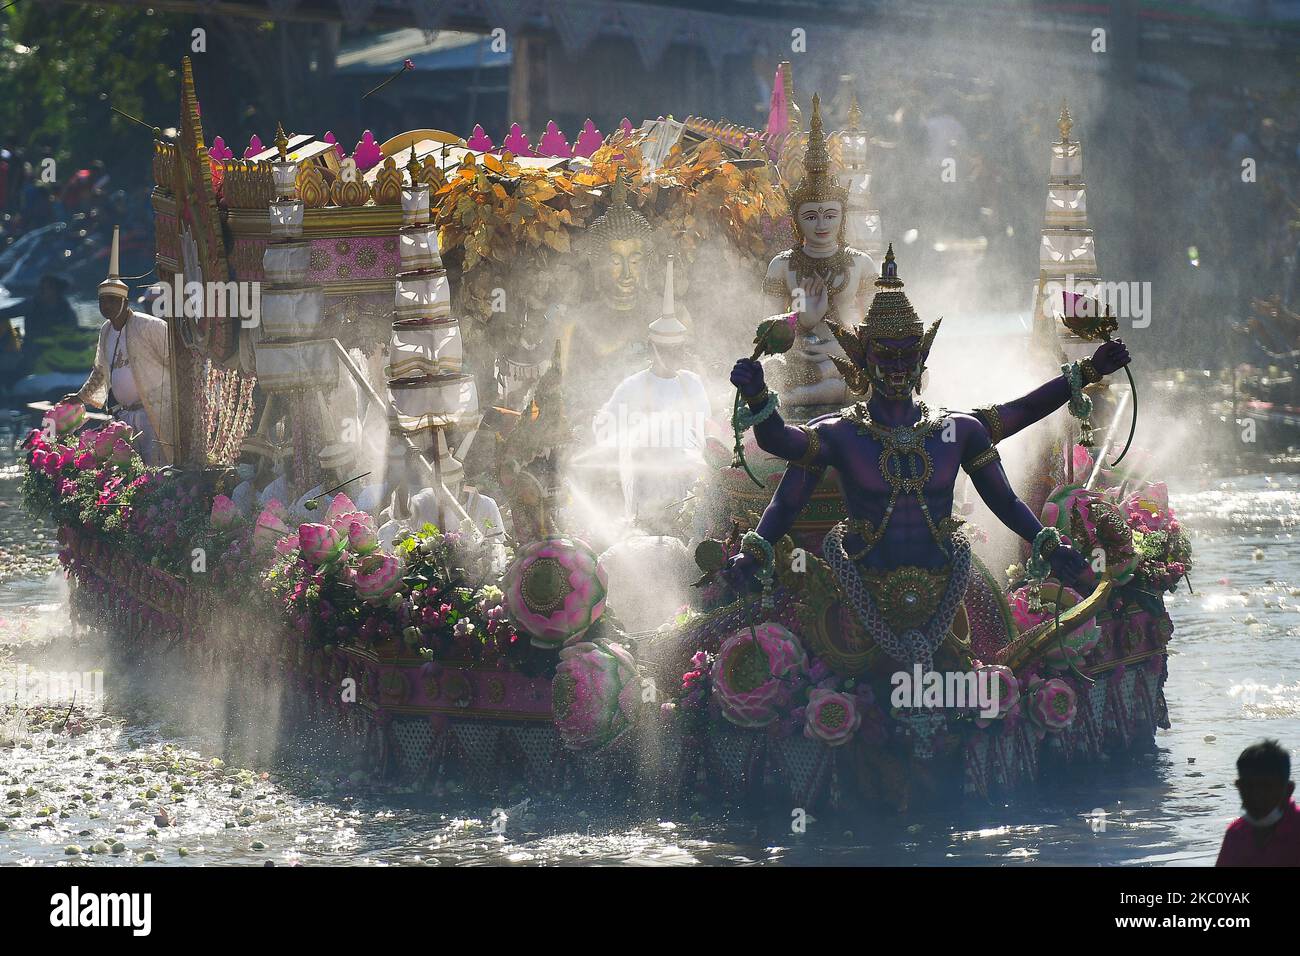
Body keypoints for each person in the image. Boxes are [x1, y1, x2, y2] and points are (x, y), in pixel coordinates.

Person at [727, 246, 1130, 675]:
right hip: (857, 603)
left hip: (945, 600)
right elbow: (780, 461)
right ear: (863, 358)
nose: (898, 367)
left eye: (907, 354)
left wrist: (1049, 543)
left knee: (968, 692)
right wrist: (755, 396)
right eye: (886, 354)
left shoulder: (956, 431)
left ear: (922, 359)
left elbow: (1009, 485)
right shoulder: (840, 434)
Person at [63, 227, 173, 465]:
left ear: (125, 300)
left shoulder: (149, 325)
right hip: (125, 415)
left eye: (112, 300)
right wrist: (80, 398)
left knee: (158, 470)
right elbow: (101, 372)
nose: (107, 306)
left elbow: (176, 364)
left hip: (155, 414)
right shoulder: (105, 330)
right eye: (102, 300)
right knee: (130, 474)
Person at [1216, 739, 1300, 867]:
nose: (1257, 796)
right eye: (1249, 787)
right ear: (1239, 787)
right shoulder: (1236, 835)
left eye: (1267, 787)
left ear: (1288, 789)